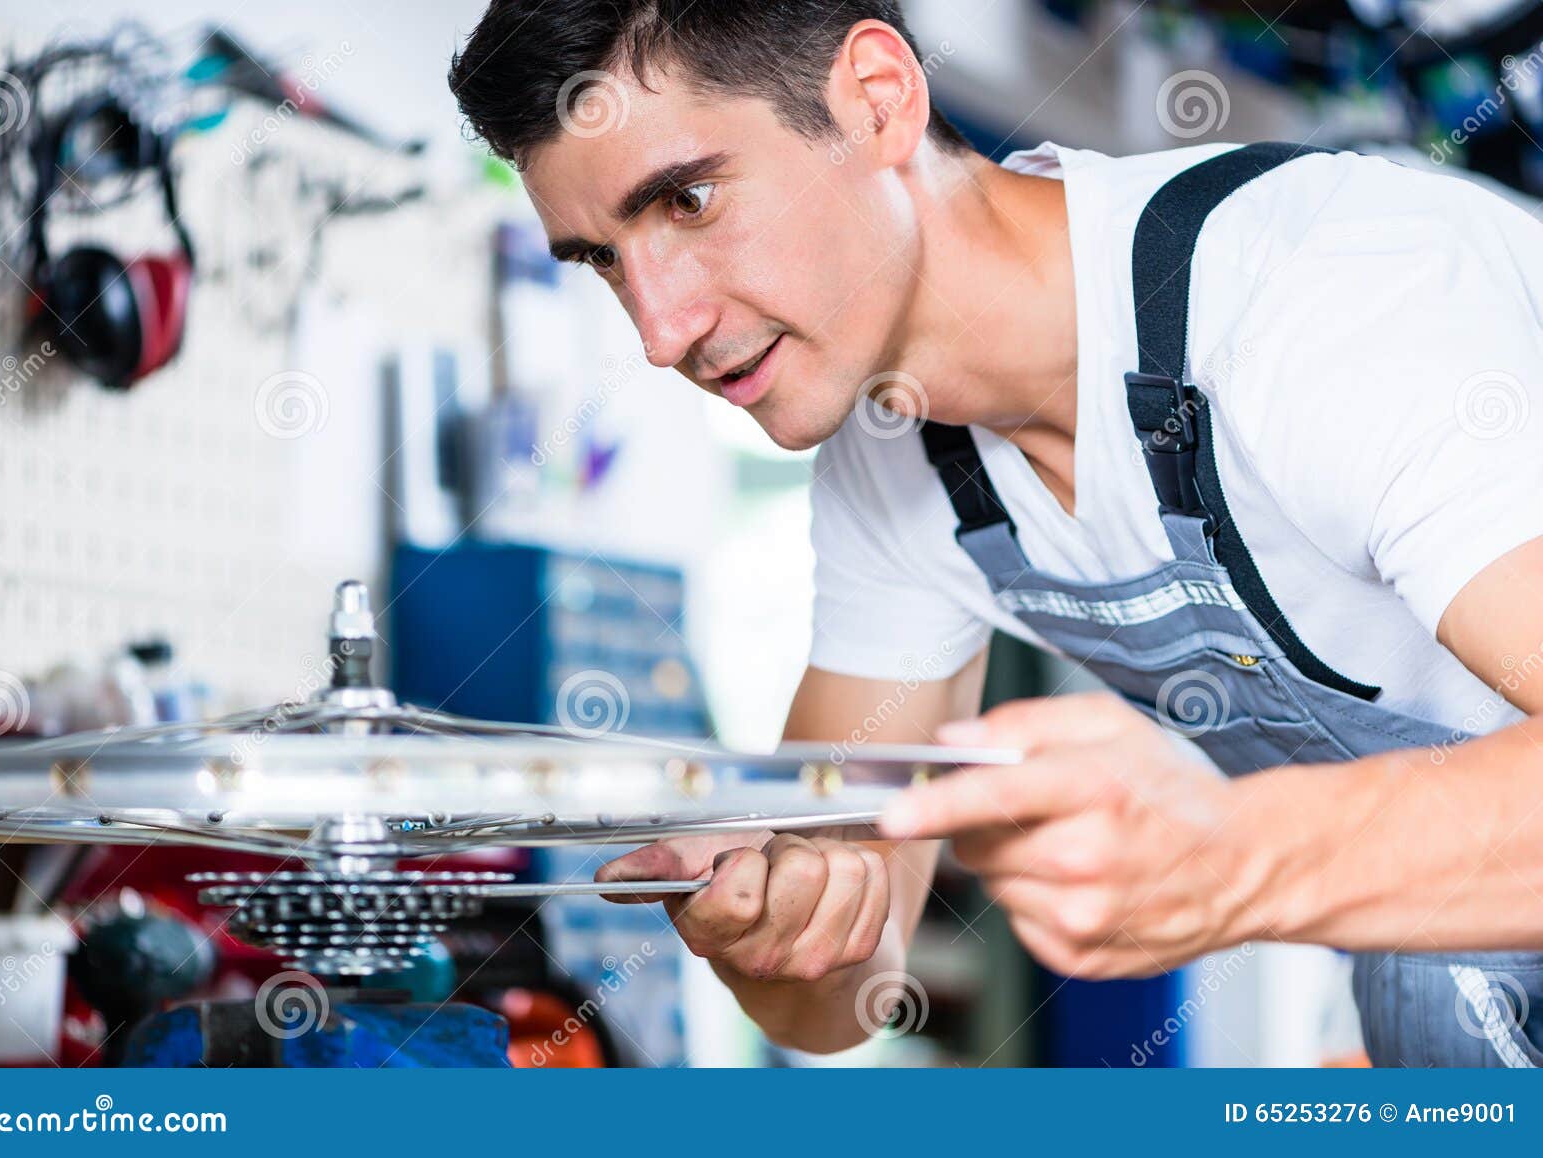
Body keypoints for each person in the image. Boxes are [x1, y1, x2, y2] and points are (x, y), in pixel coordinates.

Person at [449, 0, 1543, 1066]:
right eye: (600, 257)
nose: (658, 328)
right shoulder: (887, 464)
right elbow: (839, 995)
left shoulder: (1323, 295)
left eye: (686, 201)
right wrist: (777, 929)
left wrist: (1230, 854)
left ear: (877, 102)